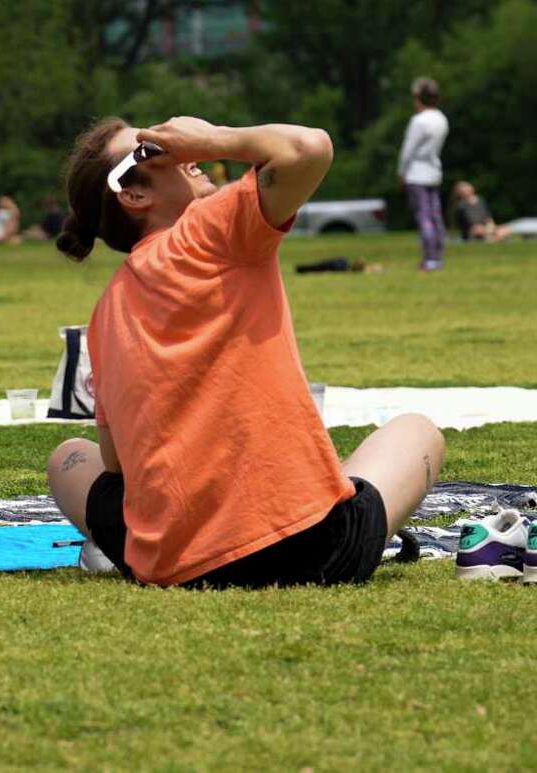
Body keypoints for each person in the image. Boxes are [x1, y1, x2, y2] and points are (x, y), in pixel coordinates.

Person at [44, 115, 445, 589]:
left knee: (67, 457)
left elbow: (114, 467)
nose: (177, 148)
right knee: (418, 432)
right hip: (311, 549)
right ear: (133, 196)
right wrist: (212, 140)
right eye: (154, 148)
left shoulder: (104, 314)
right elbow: (308, 147)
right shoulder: (213, 227)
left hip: (174, 567)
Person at [398, 76, 449, 271]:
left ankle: (429, 259)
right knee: (436, 216)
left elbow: (408, 150)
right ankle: (438, 256)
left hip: (417, 173)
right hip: (434, 172)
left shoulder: (419, 121)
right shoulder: (441, 119)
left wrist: (401, 172)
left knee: (424, 217)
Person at [447, 181, 514, 244]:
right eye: (463, 189)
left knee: (506, 229)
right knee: (478, 229)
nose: (466, 190)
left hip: (486, 228)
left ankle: (492, 240)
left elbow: (488, 217)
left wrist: (491, 226)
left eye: (466, 187)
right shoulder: (461, 205)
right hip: (472, 231)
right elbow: (467, 223)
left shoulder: (481, 201)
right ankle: (492, 240)